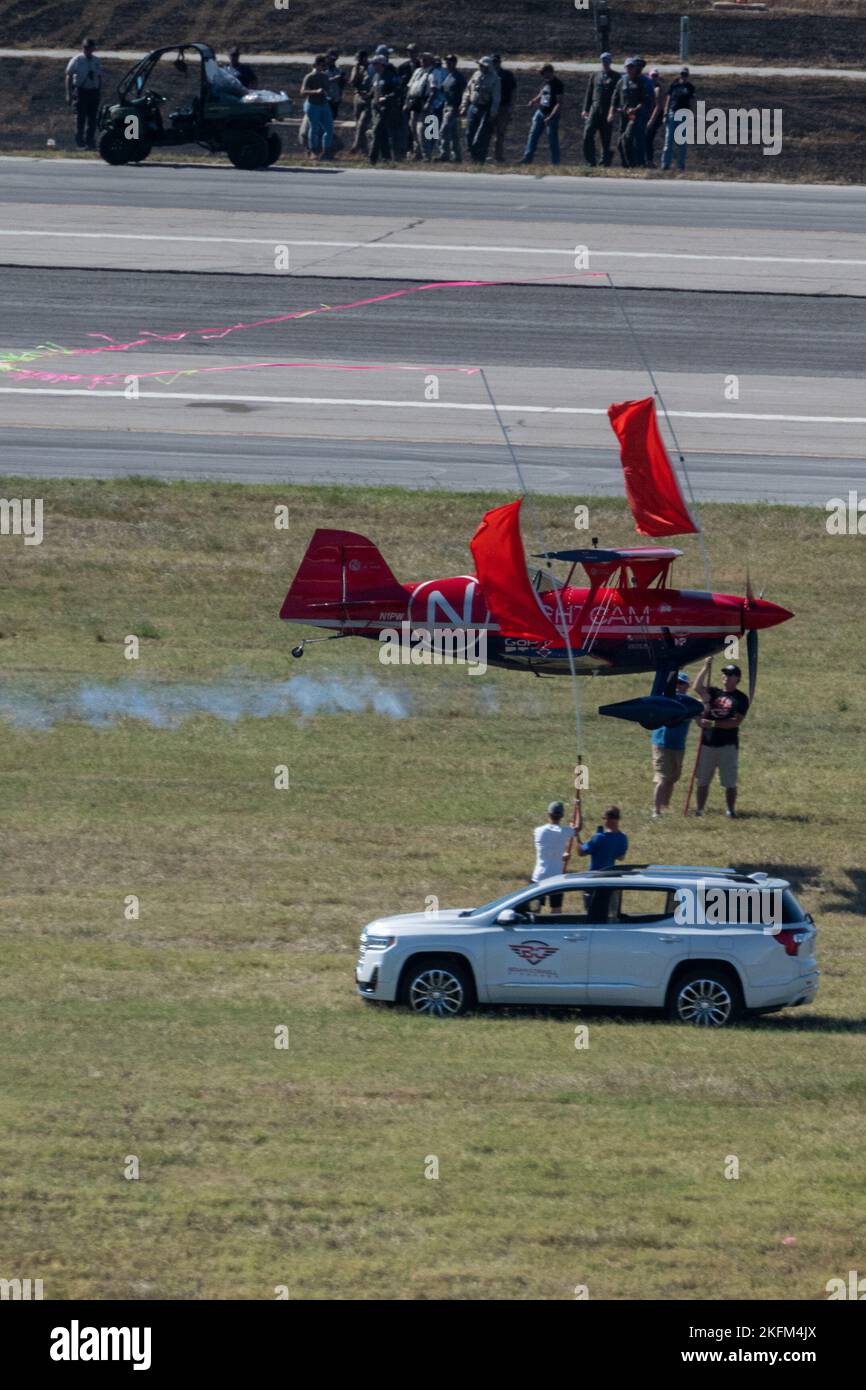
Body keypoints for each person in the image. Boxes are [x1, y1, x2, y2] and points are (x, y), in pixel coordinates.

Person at [692, 661, 750, 817]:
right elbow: (697, 688)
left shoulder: (741, 699)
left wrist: (711, 723)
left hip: (728, 745)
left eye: (730, 675)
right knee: (703, 780)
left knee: (729, 781)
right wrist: (705, 668)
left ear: (737, 679)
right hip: (708, 743)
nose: (726, 677)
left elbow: (735, 722)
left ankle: (730, 810)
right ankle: (700, 809)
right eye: (724, 674)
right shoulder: (713, 693)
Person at [651, 673, 693, 817]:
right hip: (662, 742)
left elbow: (700, 718)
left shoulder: (690, 703)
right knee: (663, 777)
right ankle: (656, 811)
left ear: (687, 686)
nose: (678, 686)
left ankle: (665, 806)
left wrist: (704, 723)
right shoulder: (666, 700)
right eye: (676, 683)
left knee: (673, 777)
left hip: (678, 745)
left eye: (681, 683)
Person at [529, 800, 579, 913]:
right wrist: (578, 806)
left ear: (548, 814)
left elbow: (548, 849)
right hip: (556, 877)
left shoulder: (538, 831)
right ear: (562, 816)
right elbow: (578, 828)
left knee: (535, 910)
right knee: (556, 911)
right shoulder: (565, 832)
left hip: (539, 876)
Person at [609, 56, 653, 168]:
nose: (632, 69)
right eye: (628, 67)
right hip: (624, 115)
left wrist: (637, 110)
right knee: (622, 141)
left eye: (633, 66)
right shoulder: (622, 81)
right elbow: (615, 98)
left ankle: (638, 163)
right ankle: (627, 164)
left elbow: (646, 100)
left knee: (633, 139)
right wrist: (612, 112)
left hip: (638, 115)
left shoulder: (643, 81)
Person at [519, 63, 563, 166]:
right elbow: (541, 94)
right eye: (541, 73)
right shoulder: (545, 82)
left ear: (549, 72)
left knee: (552, 140)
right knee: (532, 136)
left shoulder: (558, 84)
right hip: (540, 113)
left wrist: (550, 117)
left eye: (543, 73)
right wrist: (533, 101)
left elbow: (559, 103)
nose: (542, 75)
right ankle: (527, 159)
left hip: (551, 115)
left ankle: (555, 163)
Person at [581, 51, 618, 167]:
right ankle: (590, 161)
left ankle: (604, 162)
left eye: (607, 61)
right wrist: (585, 109)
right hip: (594, 108)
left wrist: (615, 110)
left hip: (608, 110)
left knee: (605, 138)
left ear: (610, 62)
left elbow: (618, 95)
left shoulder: (616, 77)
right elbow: (589, 92)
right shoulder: (595, 75)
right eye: (603, 61)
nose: (605, 64)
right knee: (587, 134)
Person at [65, 37, 102, 151]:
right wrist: (69, 94)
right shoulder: (77, 60)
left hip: (93, 92)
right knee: (80, 118)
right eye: (85, 47)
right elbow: (68, 76)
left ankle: (90, 142)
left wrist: (99, 90)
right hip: (81, 91)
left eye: (90, 48)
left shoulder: (96, 60)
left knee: (92, 119)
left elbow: (99, 76)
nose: (87, 50)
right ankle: (80, 143)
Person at [461, 57, 500, 164]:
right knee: (469, 133)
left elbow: (496, 98)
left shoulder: (495, 79)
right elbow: (468, 91)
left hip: (485, 109)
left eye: (483, 66)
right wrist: (464, 105)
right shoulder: (476, 75)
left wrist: (493, 113)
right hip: (473, 107)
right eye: (480, 65)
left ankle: (480, 160)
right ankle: (473, 156)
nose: (481, 67)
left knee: (481, 136)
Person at [368, 53, 402, 164]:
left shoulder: (390, 76)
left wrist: (386, 98)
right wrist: (367, 95)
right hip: (376, 109)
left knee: (377, 131)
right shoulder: (375, 76)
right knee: (382, 133)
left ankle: (372, 158)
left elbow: (397, 91)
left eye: (376, 64)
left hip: (386, 108)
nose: (374, 66)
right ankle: (386, 157)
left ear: (382, 64)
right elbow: (373, 91)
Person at [661, 66, 696, 173]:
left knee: (682, 142)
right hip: (673, 112)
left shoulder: (690, 87)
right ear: (679, 75)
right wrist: (665, 113)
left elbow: (692, 101)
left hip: (684, 115)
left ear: (688, 76)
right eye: (682, 74)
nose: (683, 76)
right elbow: (668, 99)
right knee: (668, 140)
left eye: (685, 74)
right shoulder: (674, 85)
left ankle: (681, 166)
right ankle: (665, 164)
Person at [301, 55, 334, 160]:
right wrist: (315, 91)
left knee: (329, 128)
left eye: (324, 65)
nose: (323, 66)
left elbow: (327, 89)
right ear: (315, 65)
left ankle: (326, 152)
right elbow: (302, 91)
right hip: (313, 105)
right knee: (314, 128)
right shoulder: (309, 76)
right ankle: (313, 151)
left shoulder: (325, 76)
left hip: (324, 105)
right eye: (321, 64)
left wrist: (327, 92)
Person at [437, 54, 466, 162]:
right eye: (446, 62)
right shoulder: (448, 76)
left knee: (444, 131)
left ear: (454, 63)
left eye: (450, 62)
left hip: (454, 107)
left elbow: (464, 93)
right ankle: (457, 157)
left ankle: (444, 155)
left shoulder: (459, 78)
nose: (447, 64)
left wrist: (461, 107)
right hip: (446, 106)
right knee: (453, 133)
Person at [491, 54, 516, 163]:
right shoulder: (489, 74)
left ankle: (498, 156)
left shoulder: (507, 75)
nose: (495, 64)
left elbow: (513, 91)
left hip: (503, 107)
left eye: (496, 62)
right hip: (490, 108)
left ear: (499, 62)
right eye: (493, 62)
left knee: (500, 134)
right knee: (487, 132)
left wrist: (511, 106)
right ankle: (487, 155)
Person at [349, 50, 373, 155]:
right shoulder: (356, 68)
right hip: (358, 97)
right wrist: (357, 71)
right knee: (358, 123)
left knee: (362, 124)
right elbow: (352, 82)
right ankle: (364, 149)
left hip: (368, 99)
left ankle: (356, 145)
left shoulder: (372, 68)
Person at [645, 67, 665, 166]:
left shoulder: (657, 89)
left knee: (648, 137)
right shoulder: (646, 86)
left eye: (656, 76)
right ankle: (644, 159)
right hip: (647, 115)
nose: (654, 78)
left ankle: (649, 161)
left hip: (656, 117)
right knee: (644, 138)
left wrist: (651, 120)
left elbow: (658, 107)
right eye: (652, 75)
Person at [324, 50, 345, 120]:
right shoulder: (322, 69)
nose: (332, 61)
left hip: (335, 98)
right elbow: (321, 82)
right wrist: (334, 78)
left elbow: (342, 85)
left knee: (332, 118)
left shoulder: (338, 70)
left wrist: (342, 79)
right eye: (331, 59)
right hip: (325, 98)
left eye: (334, 59)